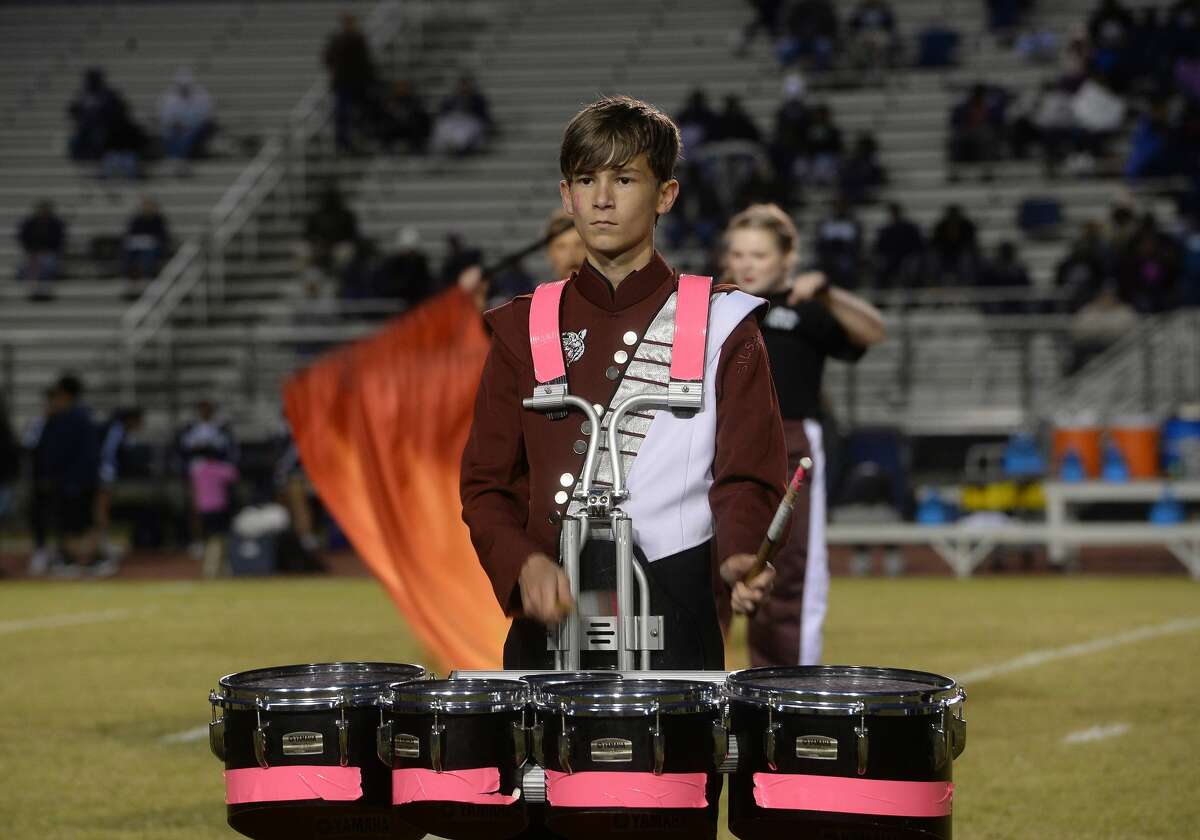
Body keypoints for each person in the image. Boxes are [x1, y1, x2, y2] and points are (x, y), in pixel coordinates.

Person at [460, 96, 786, 680]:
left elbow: (747, 473)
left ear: (665, 195)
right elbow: (487, 486)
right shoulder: (521, 325)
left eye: (625, 179)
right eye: (587, 180)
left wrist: (741, 552)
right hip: (546, 637)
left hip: (679, 622)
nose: (603, 199)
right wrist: (521, 564)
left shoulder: (722, 324)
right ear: (567, 197)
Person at [724, 203, 884, 667]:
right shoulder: (715, 307)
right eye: (738, 254)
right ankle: (699, 702)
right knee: (707, 572)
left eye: (759, 254)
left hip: (791, 444)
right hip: (720, 445)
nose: (747, 264)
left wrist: (827, 294)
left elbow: (873, 331)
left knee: (788, 573)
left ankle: (786, 698)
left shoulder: (803, 309)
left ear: (787, 258)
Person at [33, 375, 99, 574]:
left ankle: (79, 561)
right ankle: (79, 560)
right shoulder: (74, 417)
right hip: (73, 478)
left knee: (74, 522)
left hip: (73, 479)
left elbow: (61, 452)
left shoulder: (72, 418)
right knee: (74, 521)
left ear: (65, 394)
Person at [323, 12, 375, 153]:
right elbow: (327, 58)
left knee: (360, 113)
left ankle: (361, 139)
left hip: (358, 84)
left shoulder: (358, 40)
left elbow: (365, 62)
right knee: (342, 114)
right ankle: (343, 142)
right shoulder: (338, 40)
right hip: (343, 84)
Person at [158, 69, 215, 169]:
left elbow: (205, 116)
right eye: (182, 86)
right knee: (172, 135)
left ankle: (179, 158)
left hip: (195, 129)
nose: (184, 89)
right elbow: (167, 118)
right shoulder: (169, 98)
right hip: (177, 130)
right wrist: (178, 125)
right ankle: (177, 158)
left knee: (189, 135)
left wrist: (190, 125)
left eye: (186, 86)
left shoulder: (201, 96)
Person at [16, 200, 67, 301]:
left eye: (45, 210)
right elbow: (24, 237)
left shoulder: (55, 224)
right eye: (42, 210)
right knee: (29, 267)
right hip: (33, 252)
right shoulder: (30, 223)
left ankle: (45, 291)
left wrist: (47, 250)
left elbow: (59, 240)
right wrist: (33, 250)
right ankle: (34, 291)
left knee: (47, 265)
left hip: (50, 253)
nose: (43, 212)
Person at [121, 197, 170, 298]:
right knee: (126, 252)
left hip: (154, 247)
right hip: (138, 245)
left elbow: (163, 236)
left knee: (149, 254)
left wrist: (152, 240)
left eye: (149, 206)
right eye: (145, 206)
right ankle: (129, 278)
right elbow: (129, 234)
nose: (147, 208)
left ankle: (146, 277)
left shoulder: (158, 220)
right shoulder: (137, 219)